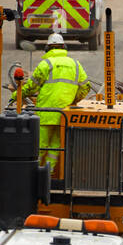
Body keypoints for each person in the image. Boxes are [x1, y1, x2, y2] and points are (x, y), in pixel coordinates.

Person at [21, 32, 91, 172]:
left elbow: (31, 86)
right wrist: (73, 100)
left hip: (45, 114)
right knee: (55, 147)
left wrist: (18, 94)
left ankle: (32, 175)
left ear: (48, 48)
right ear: (64, 47)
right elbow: (85, 87)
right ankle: (48, 174)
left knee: (39, 147)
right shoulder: (75, 64)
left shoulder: (46, 64)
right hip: (64, 115)